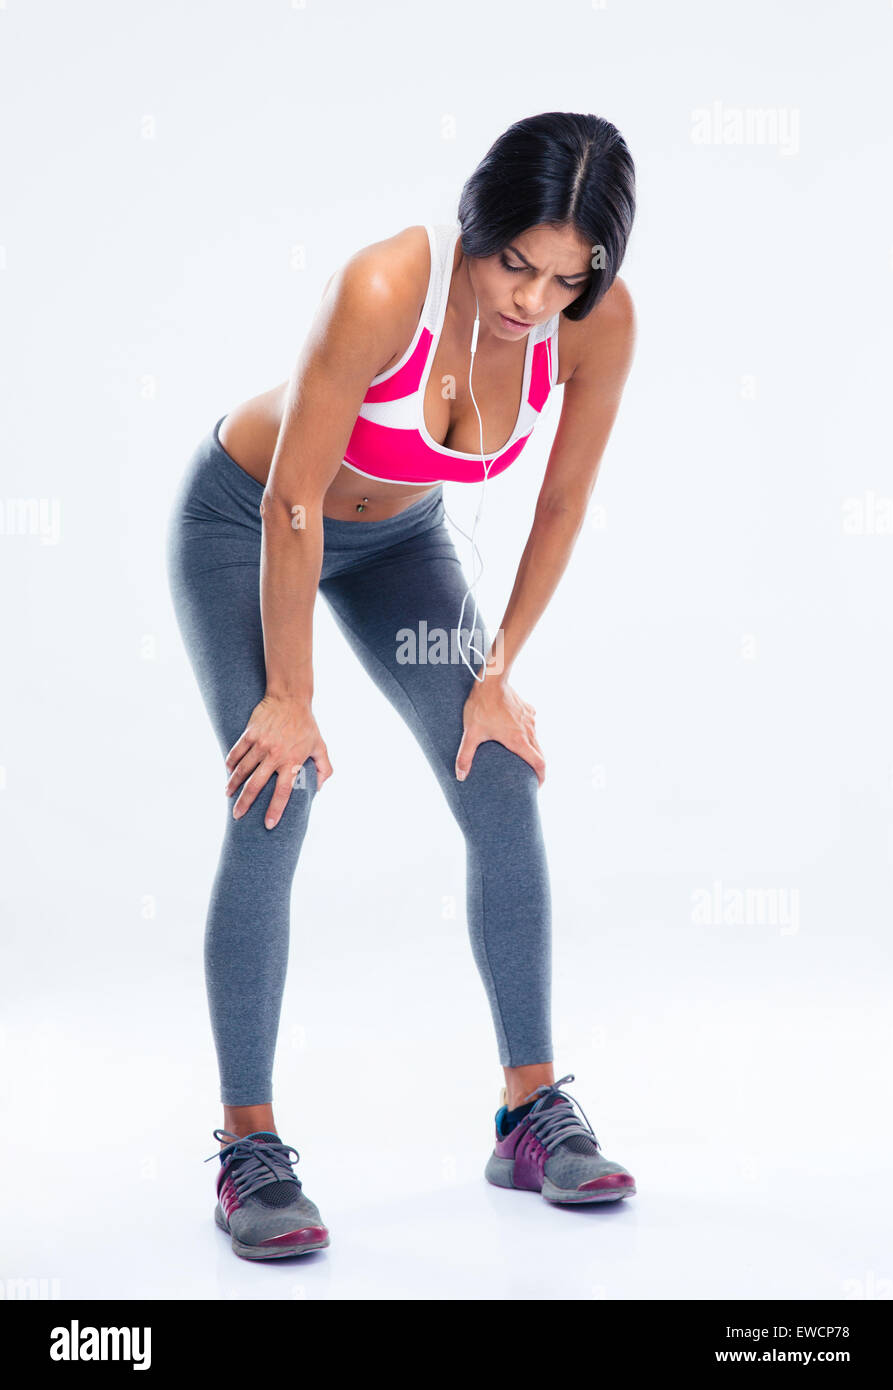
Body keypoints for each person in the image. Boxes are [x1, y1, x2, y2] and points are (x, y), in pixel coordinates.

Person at [166, 111, 638, 1261]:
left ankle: (530, 1110)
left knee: (499, 775)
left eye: (563, 278)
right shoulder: (387, 285)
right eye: (515, 264)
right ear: (477, 222)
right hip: (251, 518)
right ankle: (249, 1148)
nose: (531, 301)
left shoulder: (592, 324)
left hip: (398, 550)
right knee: (277, 790)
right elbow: (291, 500)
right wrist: (290, 693)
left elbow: (563, 503)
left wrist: (496, 673)